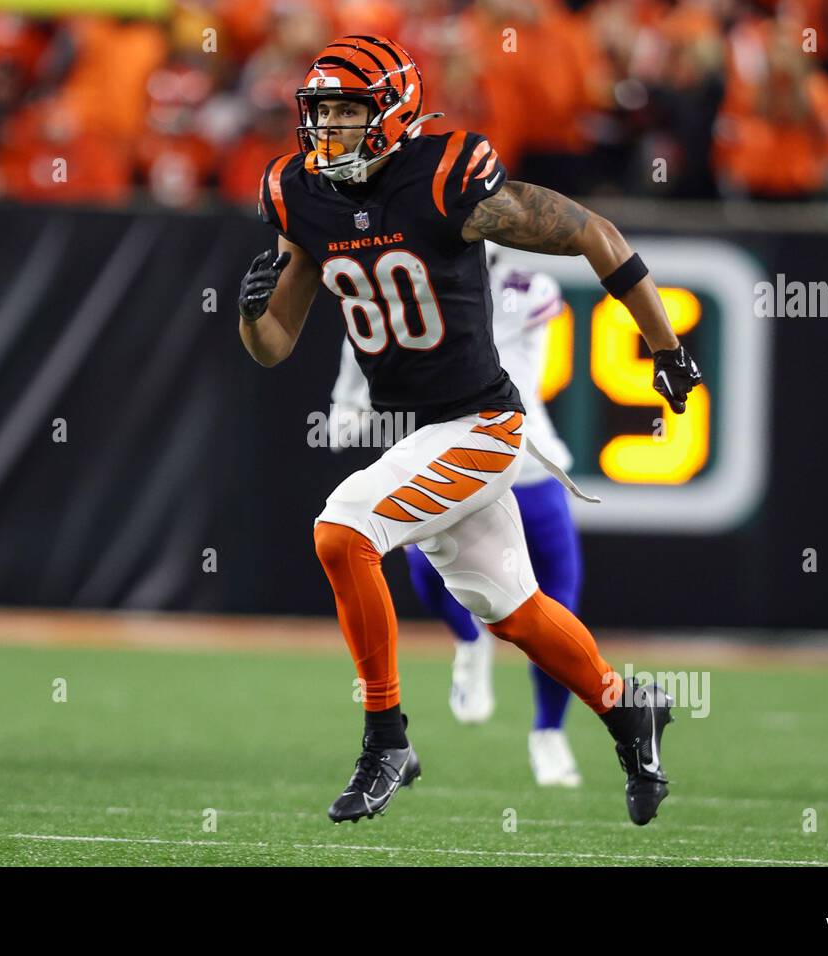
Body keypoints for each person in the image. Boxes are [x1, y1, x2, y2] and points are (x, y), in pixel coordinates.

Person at [237, 35, 701, 826]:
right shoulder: (299, 193)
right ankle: (629, 710)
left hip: (481, 424)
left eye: (349, 112)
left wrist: (667, 347)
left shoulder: (447, 178)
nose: (331, 131)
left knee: (341, 531)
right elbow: (274, 347)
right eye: (322, 114)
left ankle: (387, 738)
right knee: (512, 609)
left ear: (394, 111)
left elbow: (593, 232)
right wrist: (251, 312)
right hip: (415, 434)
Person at [328, 241, 585, 787]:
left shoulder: (522, 289)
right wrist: (346, 399)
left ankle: (549, 733)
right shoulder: (415, 282)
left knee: (555, 601)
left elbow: (516, 369)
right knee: (427, 571)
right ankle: (470, 644)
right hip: (459, 452)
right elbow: (366, 329)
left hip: (519, 452)